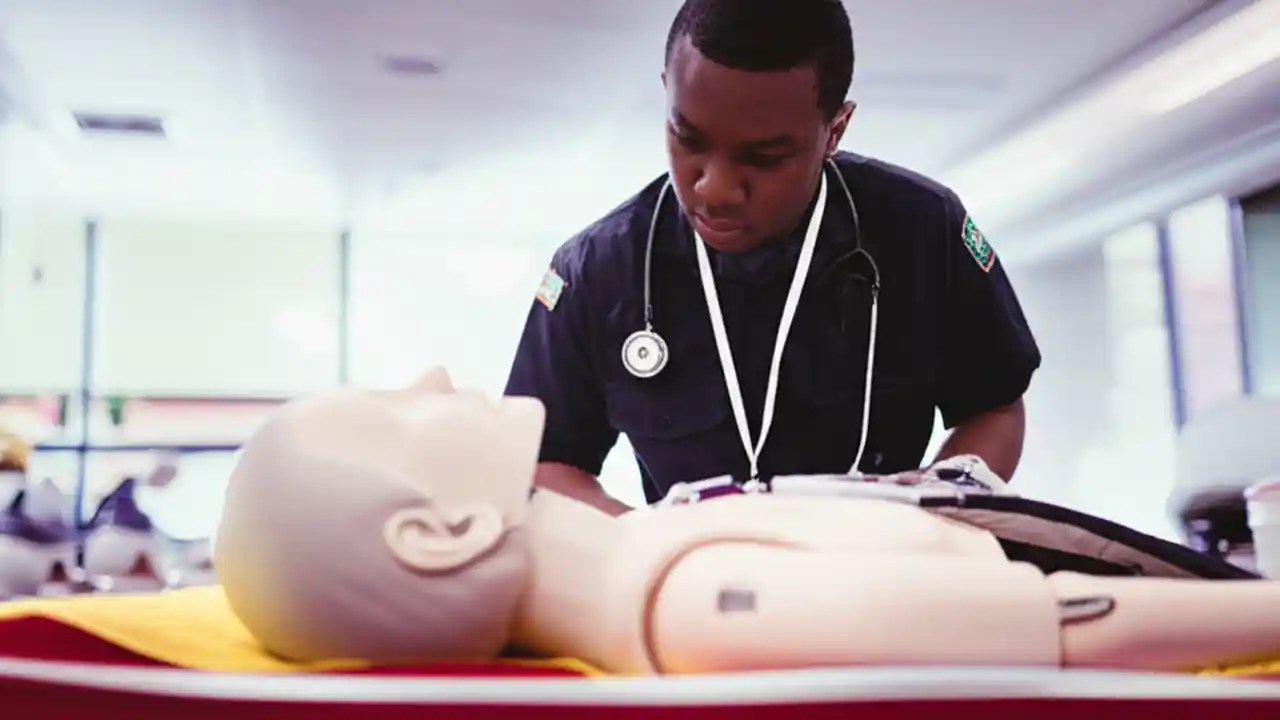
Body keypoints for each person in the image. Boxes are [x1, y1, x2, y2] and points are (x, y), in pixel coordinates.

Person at [213, 369, 1280, 676]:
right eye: (397, 409)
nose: (435, 378)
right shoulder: (705, 608)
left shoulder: (665, 546)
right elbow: (1071, 622)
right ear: (440, 532)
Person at [504, 0, 1040, 515]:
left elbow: (994, 406)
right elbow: (544, 462)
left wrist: (935, 500)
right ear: (667, 93)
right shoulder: (595, 269)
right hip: (688, 586)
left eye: (763, 157)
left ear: (835, 130)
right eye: (686, 138)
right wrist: (647, 545)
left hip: (877, 574)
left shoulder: (925, 230)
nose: (713, 190)